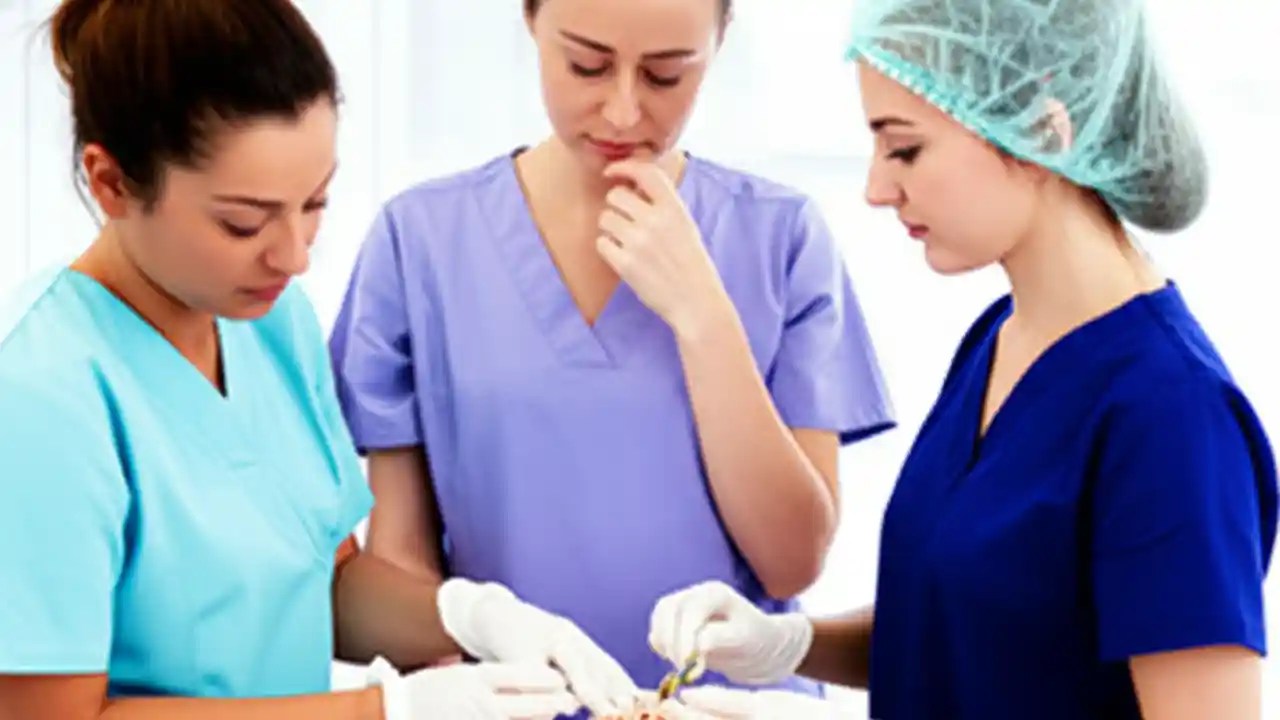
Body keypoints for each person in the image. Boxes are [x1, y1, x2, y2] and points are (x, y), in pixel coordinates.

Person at [0, 1, 640, 719]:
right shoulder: (40, 395)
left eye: (315, 204)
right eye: (242, 222)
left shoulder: (271, 323)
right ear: (111, 183)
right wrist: (380, 711)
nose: (294, 255)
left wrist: (475, 617)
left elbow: (325, 582)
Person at [646, 0, 1279, 718]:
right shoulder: (1001, 340)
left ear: (1042, 130)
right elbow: (973, 627)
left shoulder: (1172, 417)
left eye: (905, 148)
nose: (877, 189)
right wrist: (787, 646)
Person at [327, 0, 895, 707]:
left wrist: (703, 318)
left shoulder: (780, 238)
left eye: (666, 76)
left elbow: (790, 564)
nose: (624, 113)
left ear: (719, 45)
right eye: (586, 65)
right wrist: (455, 685)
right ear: (530, 21)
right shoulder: (420, 241)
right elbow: (400, 563)